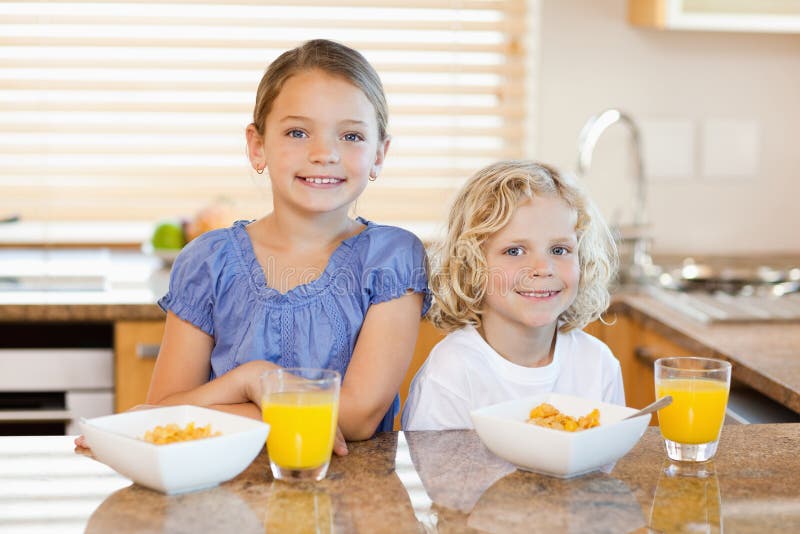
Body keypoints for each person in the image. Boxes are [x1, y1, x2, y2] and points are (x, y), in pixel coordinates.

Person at [77, 40, 430, 453]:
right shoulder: (208, 262)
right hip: (220, 500)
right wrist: (251, 379)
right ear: (257, 146)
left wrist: (225, 407)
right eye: (298, 132)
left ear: (379, 155)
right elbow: (164, 416)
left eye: (351, 135)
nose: (324, 154)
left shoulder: (392, 259)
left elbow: (355, 417)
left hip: (350, 505)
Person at [402, 160, 622, 431]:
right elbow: (435, 470)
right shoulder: (451, 373)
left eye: (559, 250)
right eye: (515, 251)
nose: (543, 269)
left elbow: (609, 463)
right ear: (472, 265)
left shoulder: (598, 364)